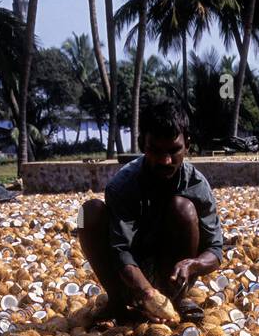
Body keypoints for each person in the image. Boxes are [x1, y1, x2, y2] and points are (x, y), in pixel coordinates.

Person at [74, 100, 224, 324]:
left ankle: (175, 300)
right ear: (142, 144)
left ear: (188, 145)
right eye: (156, 150)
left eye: (174, 151)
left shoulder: (197, 186)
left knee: (183, 208)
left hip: (172, 272)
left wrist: (192, 265)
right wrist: (146, 293)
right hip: (131, 274)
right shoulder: (122, 185)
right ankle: (118, 302)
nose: (166, 161)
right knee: (88, 213)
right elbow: (120, 250)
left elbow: (215, 250)